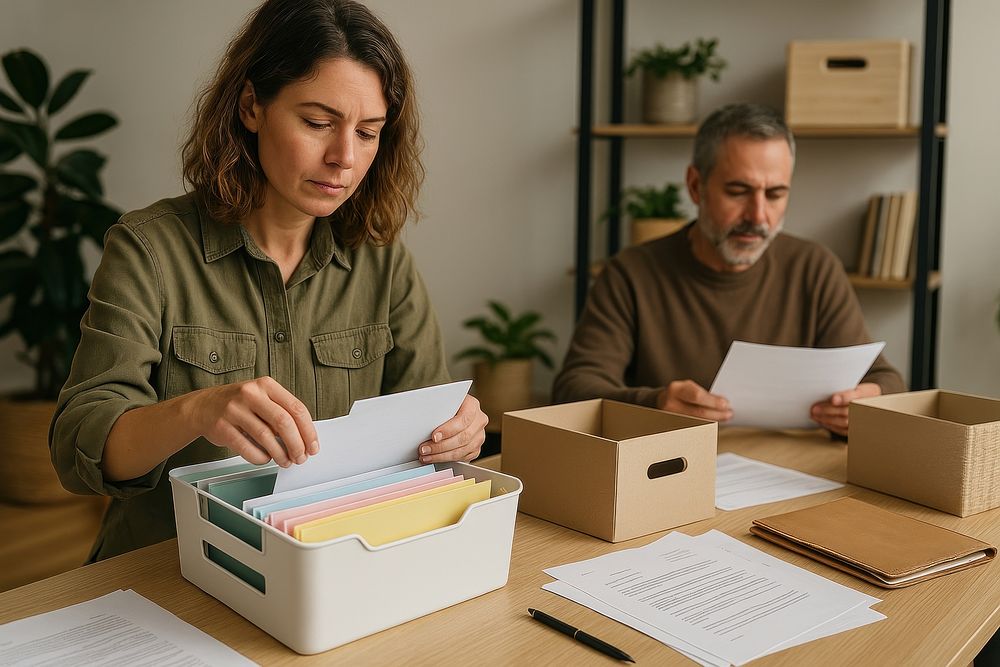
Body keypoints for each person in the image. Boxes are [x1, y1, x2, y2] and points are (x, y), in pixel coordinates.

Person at [49, 0, 486, 562]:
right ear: (252, 105)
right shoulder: (148, 249)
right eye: (318, 123)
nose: (344, 158)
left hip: (332, 565)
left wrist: (456, 435)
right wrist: (197, 410)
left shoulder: (382, 261)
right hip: (169, 571)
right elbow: (78, 449)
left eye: (369, 132)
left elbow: (426, 427)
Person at [553, 103, 905, 435]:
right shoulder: (630, 274)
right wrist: (653, 404)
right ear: (695, 186)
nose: (758, 216)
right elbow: (573, 389)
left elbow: (886, 380)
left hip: (792, 474)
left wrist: (863, 402)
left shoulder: (814, 267)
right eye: (738, 191)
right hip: (668, 470)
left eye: (775, 194)